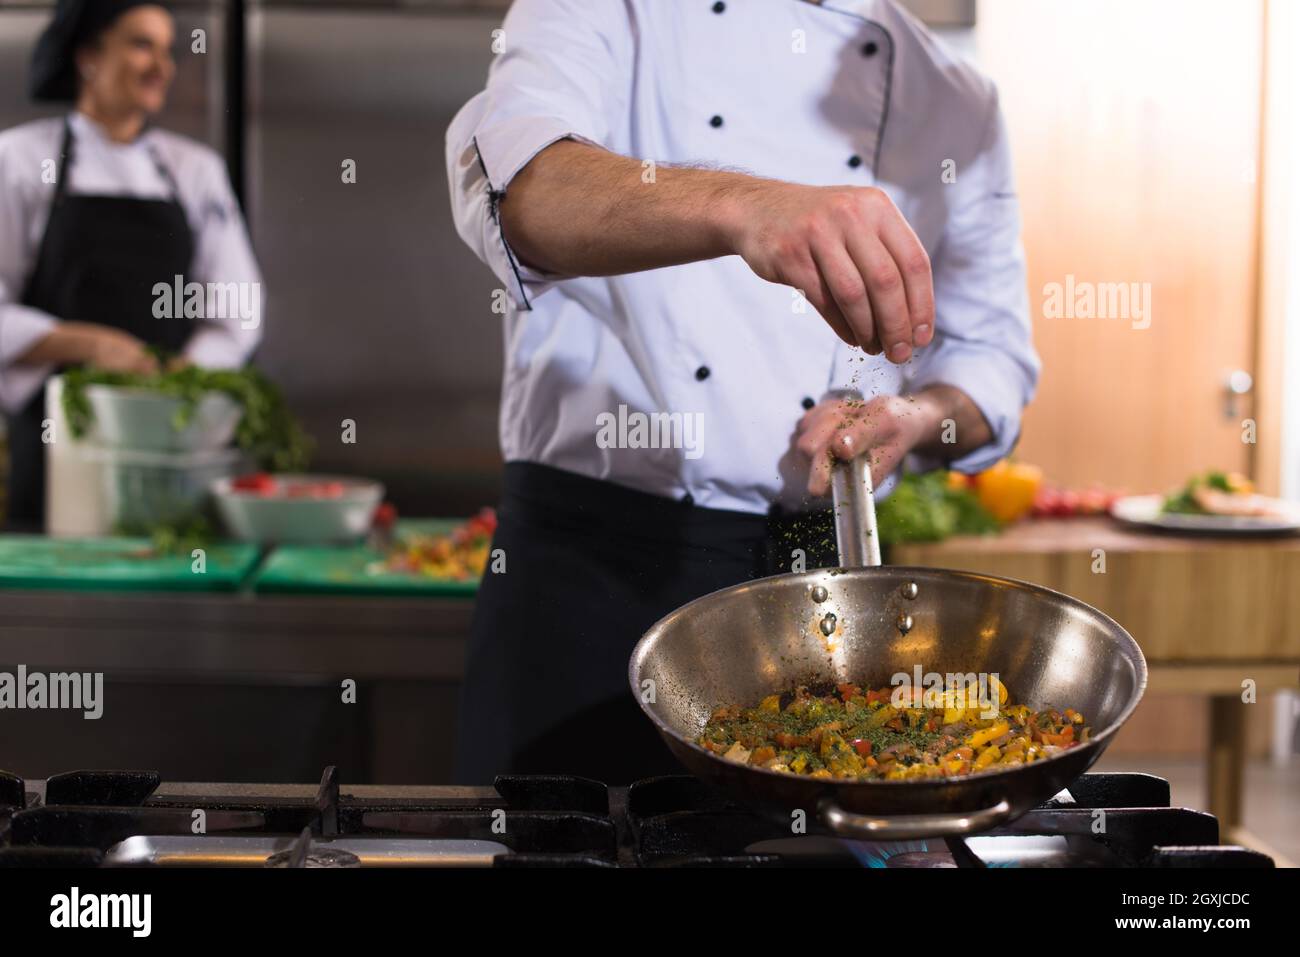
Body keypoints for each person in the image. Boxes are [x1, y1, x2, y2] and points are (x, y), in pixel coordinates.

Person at [446, 0, 1039, 784]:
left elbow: (993, 359)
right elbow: (526, 190)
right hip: (588, 578)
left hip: (816, 596)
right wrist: (749, 205)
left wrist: (918, 415)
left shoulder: (959, 99)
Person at [0, 0, 261, 529]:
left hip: (171, 435)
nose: (161, 66)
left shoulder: (195, 170)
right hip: (58, 437)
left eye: (168, 51)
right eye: (142, 45)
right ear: (89, 56)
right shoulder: (19, 160)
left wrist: (181, 376)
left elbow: (238, 306)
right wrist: (92, 345)